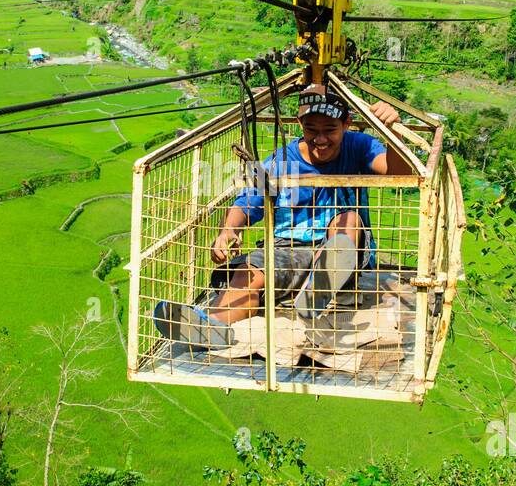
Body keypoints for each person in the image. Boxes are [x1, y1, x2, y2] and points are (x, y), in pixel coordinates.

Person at [154, 85, 401, 347]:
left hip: (340, 251)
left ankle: (321, 285)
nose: (320, 139)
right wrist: (228, 230)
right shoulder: (280, 161)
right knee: (249, 274)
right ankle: (212, 326)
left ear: (346, 124)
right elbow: (248, 200)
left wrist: (392, 130)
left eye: (330, 130)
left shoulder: (359, 147)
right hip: (288, 249)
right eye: (311, 130)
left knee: (347, 219)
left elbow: (397, 171)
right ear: (299, 124)